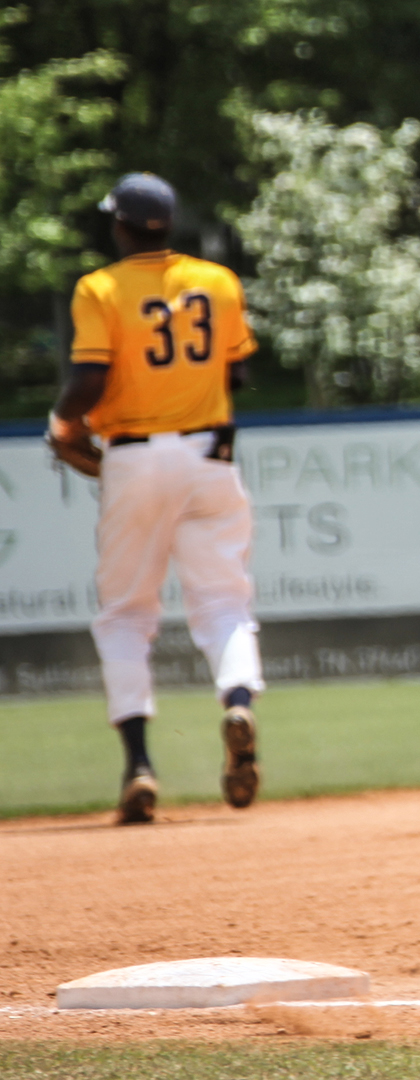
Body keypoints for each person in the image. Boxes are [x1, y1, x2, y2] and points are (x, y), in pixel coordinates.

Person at [46, 173, 265, 825]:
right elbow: (240, 370)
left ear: (119, 226)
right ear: (169, 224)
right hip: (209, 457)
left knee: (124, 615)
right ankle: (239, 704)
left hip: (135, 457)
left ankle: (140, 766)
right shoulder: (218, 281)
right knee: (225, 602)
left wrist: (61, 423)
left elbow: (90, 377)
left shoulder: (101, 288)